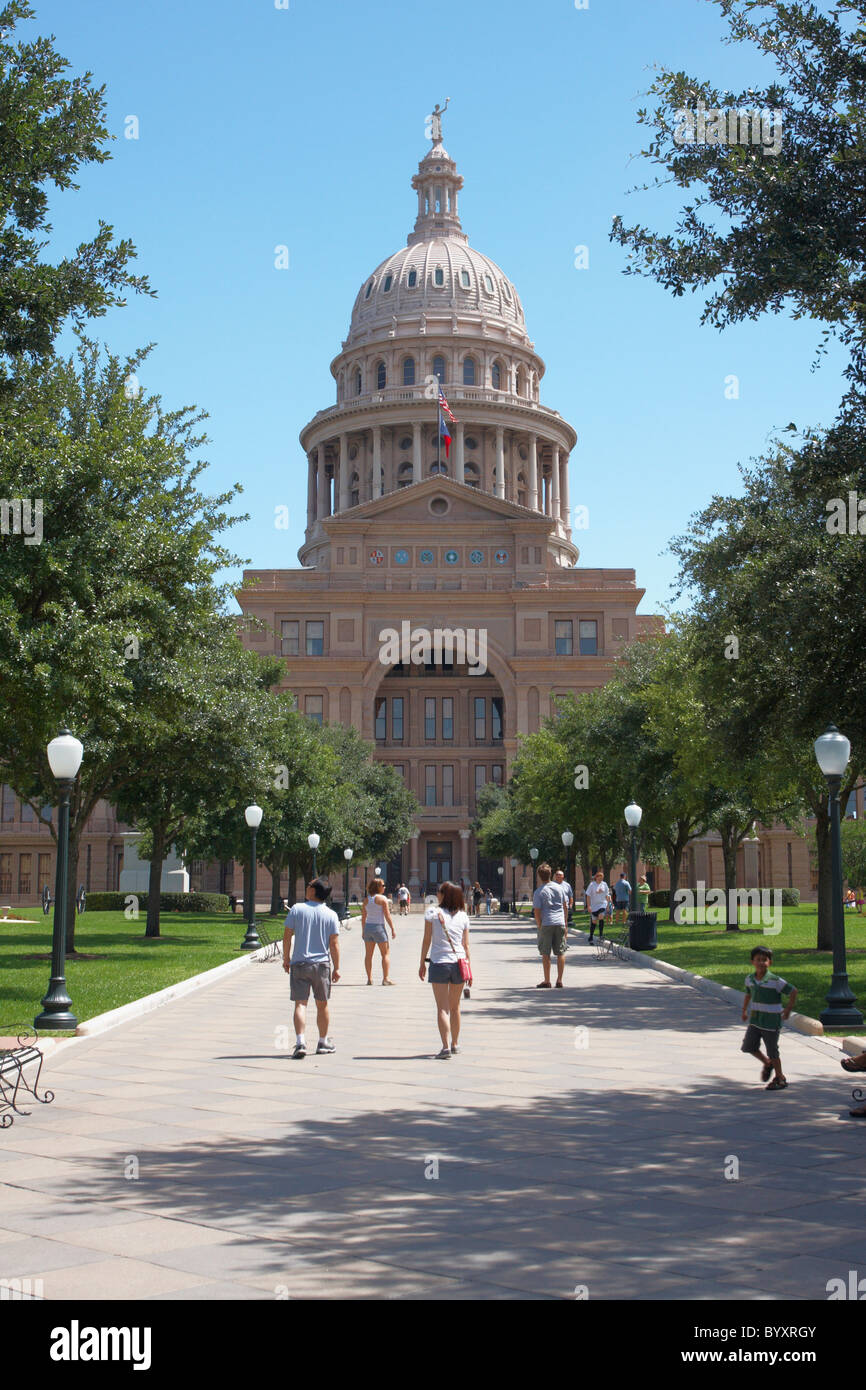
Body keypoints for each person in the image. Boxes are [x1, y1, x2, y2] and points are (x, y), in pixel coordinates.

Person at [282, 877, 340, 1059]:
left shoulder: (297, 909)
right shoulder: (331, 915)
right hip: (322, 965)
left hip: (299, 963)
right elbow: (334, 944)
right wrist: (337, 967)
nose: (306, 887)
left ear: (313, 891)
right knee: (322, 1005)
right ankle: (322, 1042)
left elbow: (287, 936)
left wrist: (286, 958)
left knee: (300, 1004)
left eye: (309, 886)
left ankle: (300, 1042)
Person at [419, 881, 471, 1058]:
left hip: (439, 963)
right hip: (459, 963)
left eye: (440, 892)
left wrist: (421, 963)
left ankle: (445, 1047)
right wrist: (469, 968)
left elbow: (427, 940)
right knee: (455, 1007)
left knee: (442, 1008)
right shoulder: (464, 916)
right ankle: (455, 1044)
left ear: (444, 895)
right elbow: (466, 945)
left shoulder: (432, 913)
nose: (437, 894)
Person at [740, 946, 797, 1091]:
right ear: (752, 962)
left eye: (764, 960)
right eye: (758, 960)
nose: (761, 963)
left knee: (773, 1051)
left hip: (771, 1022)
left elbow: (793, 991)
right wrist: (744, 1010)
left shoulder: (775, 981)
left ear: (769, 962)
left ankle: (780, 1078)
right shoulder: (749, 979)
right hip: (756, 1020)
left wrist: (788, 1009)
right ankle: (767, 1063)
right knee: (748, 1046)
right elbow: (748, 994)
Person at [533, 862, 568, 988]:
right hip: (559, 922)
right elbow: (565, 907)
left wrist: (539, 926)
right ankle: (559, 980)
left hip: (546, 923)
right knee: (561, 952)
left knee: (545, 953)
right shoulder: (560, 888)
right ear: (551, 874)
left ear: (539, 876)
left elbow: (537, 912)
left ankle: (547, 981)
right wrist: (565, 924)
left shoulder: (538, 892)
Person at [361, 877, 396, 985]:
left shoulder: (366, 900)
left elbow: (363, 917)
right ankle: (385, 979)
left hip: (368, 927)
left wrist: (363, 931)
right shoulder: (382, 899)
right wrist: (392, 928)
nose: (385, 887)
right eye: (383, 885)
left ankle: (369, 979)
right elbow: (387, 915)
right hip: (379, 928)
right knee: (385, 954)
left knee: (368, 955)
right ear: (378, 887)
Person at [584, 870, 611, 944]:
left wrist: (608, 905)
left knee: (601, 916)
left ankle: (601, 935)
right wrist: (588, 906)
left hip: (602, 904)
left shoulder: (604, 884)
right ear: (596, 877)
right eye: (599, 877)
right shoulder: (592, 885)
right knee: (594, 921)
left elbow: (607, 895)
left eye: (602, 878)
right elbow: (588, 896)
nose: (600, 879)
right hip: (594, 906)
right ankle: (591, 936)